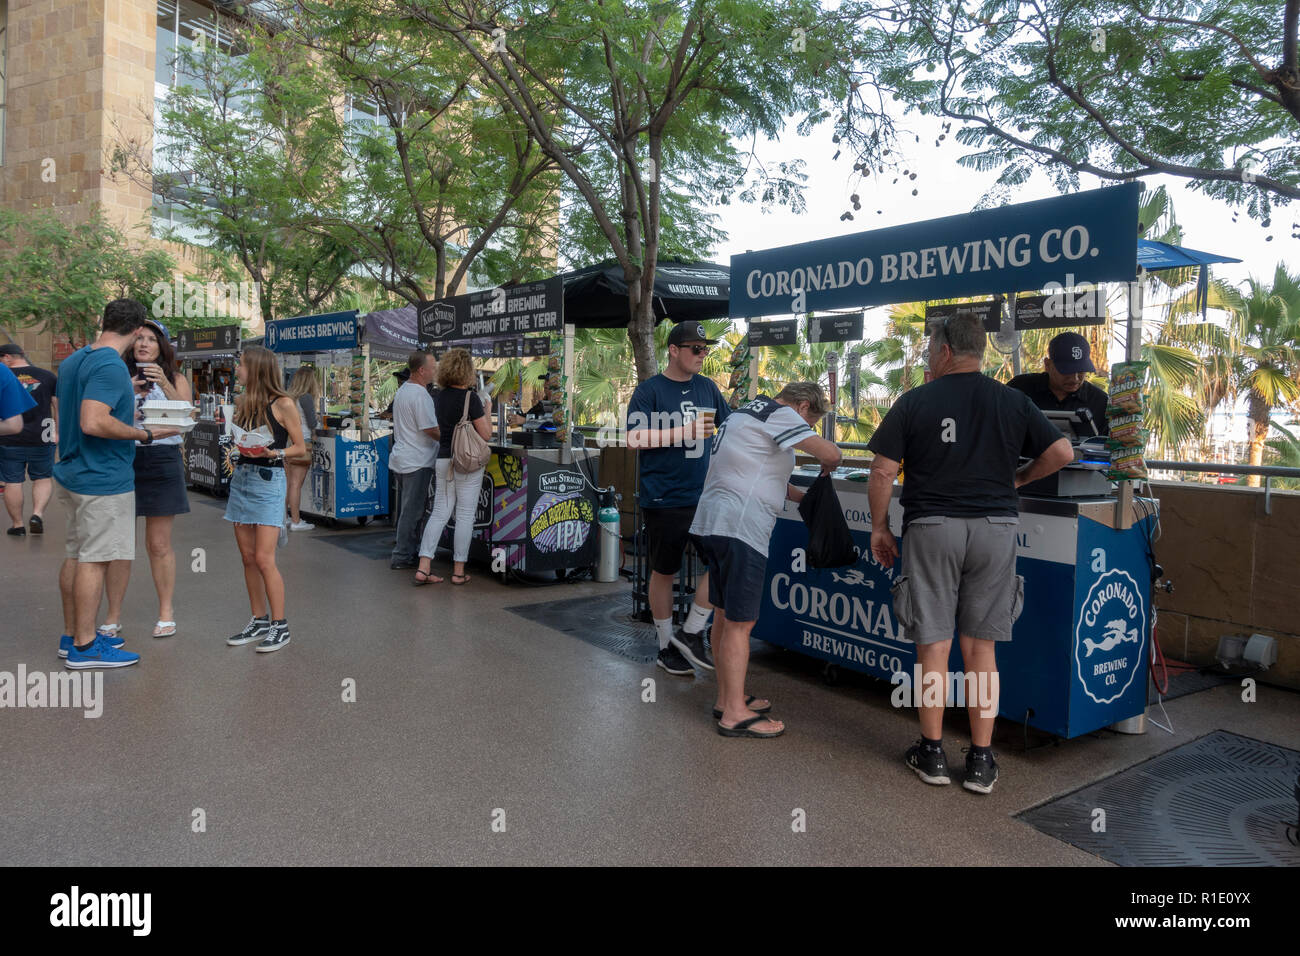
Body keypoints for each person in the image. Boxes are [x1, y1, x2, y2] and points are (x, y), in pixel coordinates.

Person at [866, 311, 1072, 793]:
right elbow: (1062, 453)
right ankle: (981, 761)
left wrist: (880, 527)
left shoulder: (915, 400)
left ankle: (933, 753)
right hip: (996, 529)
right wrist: (1017, 479)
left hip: (932, 527)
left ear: (942, 351)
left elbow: (880, 472)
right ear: (979, 350)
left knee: (933, 645)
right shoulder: (1012, 399)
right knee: (981, 650)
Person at [690, 383, 842, 738]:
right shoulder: (781, 414)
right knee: (742, 623)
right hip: (741, 527)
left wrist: (805, 499)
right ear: (803, 406)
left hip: (714, 521)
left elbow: (760, 471)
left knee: (726, 615)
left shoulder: (745, 412)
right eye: (813, 420)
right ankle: (735, 715)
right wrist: (825, 459)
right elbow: (831, 455)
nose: (809, 427)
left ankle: (727, 698)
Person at [54, 299, 180, 668]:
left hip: (75, 471)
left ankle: (72, 636)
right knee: (96, 560)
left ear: (103, 321)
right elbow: (93, 421)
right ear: (138, 328)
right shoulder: (110, 364)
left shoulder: (76, 360)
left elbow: (66, 412)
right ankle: (87, 645)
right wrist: (143, 434)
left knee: (77, 555)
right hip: (102, 477)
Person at [626, 322, 730, 676]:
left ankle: (691, 631)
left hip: (705, 494)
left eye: (705, 349)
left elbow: (729, 430)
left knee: (720, 562)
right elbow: (634, 438)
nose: (702, 355)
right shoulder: (650, 390)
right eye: (695, 349)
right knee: (664, 571)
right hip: (664, 496)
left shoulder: (708, 388)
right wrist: (682, 432)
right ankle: (665, 645)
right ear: (673, 350)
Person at [100, 320, 194, 640]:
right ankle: (113, 618)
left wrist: (164, 383)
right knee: (119, 545)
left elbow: (187, 419)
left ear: (162, 347)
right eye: (138, 338)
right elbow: (101, 417)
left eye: (151, 340)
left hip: (162, 459)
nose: (143, 344)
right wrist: (129, 387)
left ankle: (166, 612)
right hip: (123, 458)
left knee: (158, 544)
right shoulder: (116, 375)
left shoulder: (176, 377)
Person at [224, 346, 306, 653]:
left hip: (269, 482)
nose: (237, 370)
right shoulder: (243, 402)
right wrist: (238, 447)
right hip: (242, 478)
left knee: (263, 558)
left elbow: (301, 447)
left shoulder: (283, 403)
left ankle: (280, 625)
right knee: (247, 558)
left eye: (241, 365)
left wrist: (276, 452)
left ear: (256, 369)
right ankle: (259, 620)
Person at [415, 348, 491, 586]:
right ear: (468, 371)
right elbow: (486, 434)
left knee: (439, 512)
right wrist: (487, 407)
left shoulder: (439, 397)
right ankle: (458, 571)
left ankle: (423, 566)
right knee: (465, 515)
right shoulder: (472, 399)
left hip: (443, 459)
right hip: (466, 463)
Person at [389, 351, 440, 571]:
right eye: (433, 367)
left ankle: (409, 550)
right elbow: (430, 428)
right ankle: (402, 555)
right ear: (422, 370)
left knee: (409, 510)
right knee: (412, 511)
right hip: (416, 460)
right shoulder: (420, 395)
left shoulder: (403, 391)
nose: (435, 370)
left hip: (403, 458)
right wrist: (449, 437)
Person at [1006, 331, 1110, 436]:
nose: (1074, 378)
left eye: (1081, 371)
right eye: (1067, 371)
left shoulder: (1101, 402)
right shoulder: (1020, 388)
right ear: (1047, 364)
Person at [0, 344, 54, 535]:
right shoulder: (47, 376)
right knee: (42, 477)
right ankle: (37, 514)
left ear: (6, 357)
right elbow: (57, 404)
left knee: (12, 481)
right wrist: (57, 431)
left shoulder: (4, 376)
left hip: (9, 437)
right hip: (42, 435)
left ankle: (17, 525)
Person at [285, 365, 321, 531]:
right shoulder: (306, 398)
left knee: (288, 483)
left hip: (288, 442)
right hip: (303, 441)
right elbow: (312, 423)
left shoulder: (288, 398)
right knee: (296, 484)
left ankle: (284, 518)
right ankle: (296, 521)